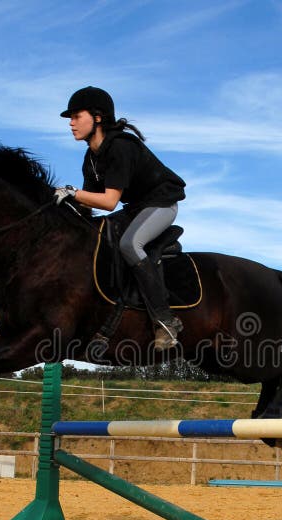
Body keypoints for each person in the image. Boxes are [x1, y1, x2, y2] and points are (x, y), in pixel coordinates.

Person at [55, 86, 186, 351]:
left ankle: (165, 321)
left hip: (162, 203)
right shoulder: (91, 158)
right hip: (137, 207)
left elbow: (109, 201)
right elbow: (89, 205)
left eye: (76, 116)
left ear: (98, 117)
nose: (71, 123)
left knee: (129, 244)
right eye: (70, 118)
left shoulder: (120, 147)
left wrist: (71, 192)